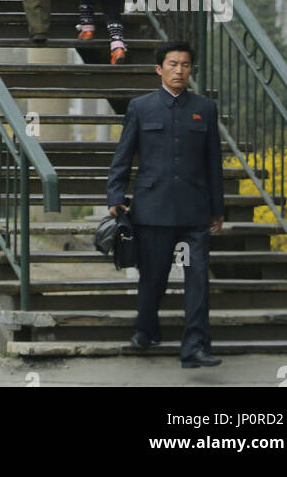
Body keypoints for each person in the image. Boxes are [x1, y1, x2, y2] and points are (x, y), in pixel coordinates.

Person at [106, 39, 225, 367]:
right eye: (173, 64)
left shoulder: (205, 108)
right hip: (153, 211)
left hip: (194, 212)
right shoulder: (141, 107)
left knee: (197, 278)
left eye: (185, 65)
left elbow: (213, 162)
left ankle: (195, 347)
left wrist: (218, 208)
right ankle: (145, 329)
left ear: (191, 70)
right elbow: (123, 156)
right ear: (160, 69)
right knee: (153, 277)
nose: (179, 70)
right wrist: (115, 196)